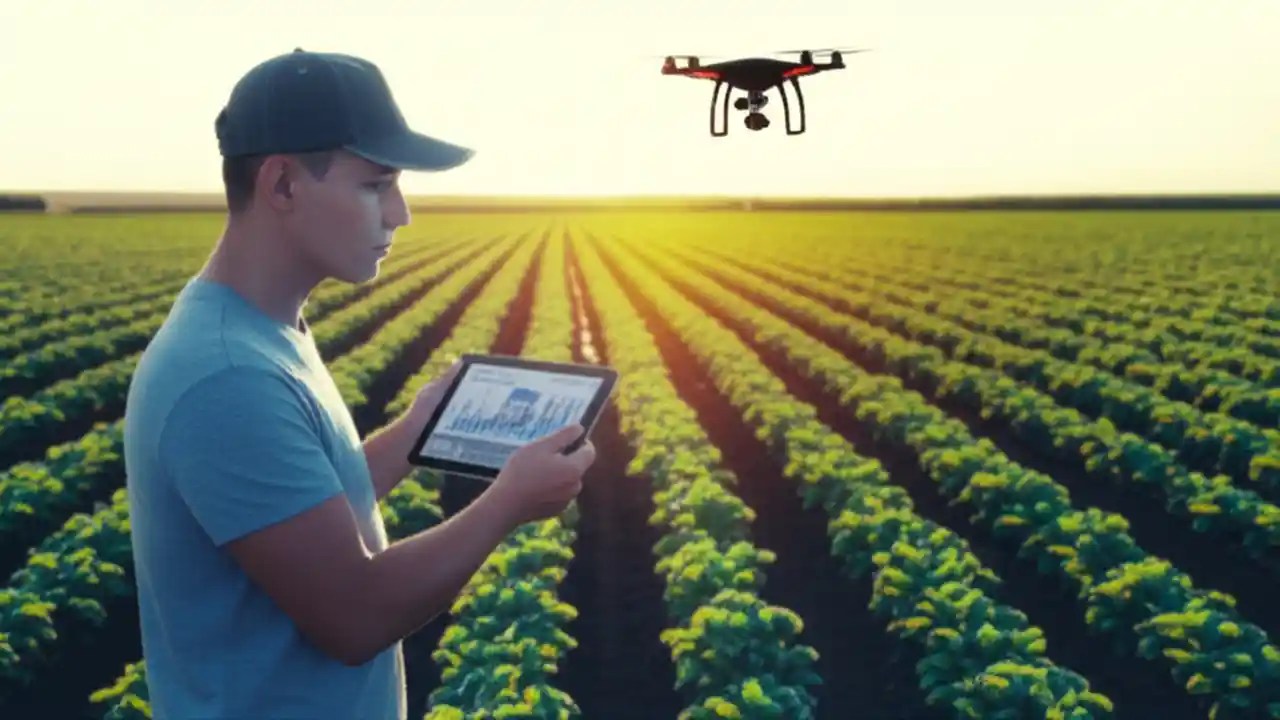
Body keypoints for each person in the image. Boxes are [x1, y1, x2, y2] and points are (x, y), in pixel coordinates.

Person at [122, 48, 597, 720]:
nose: (400, 214)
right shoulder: (226, 375)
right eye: (376, 185)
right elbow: (354, 614)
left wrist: (413, 433)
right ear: (282, 184)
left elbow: (299, 512)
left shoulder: (261, 331)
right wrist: (508, 502)